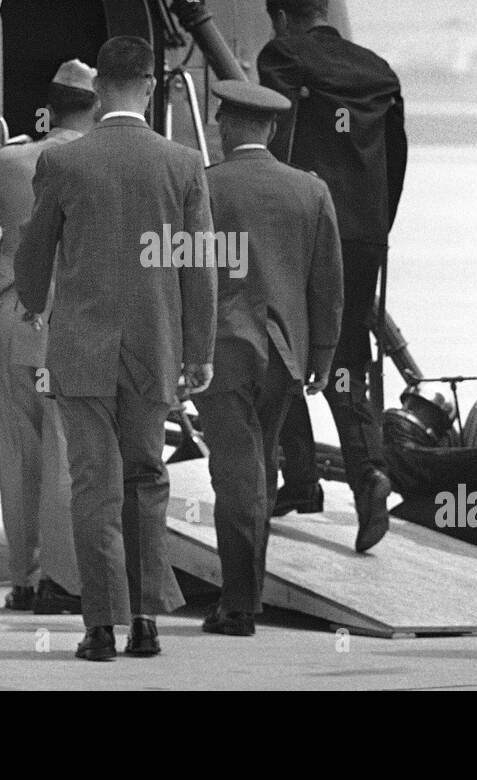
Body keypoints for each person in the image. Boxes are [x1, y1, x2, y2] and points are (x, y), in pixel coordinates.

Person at [15, 36, 217, 662]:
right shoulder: (183, 165)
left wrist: (34, 299)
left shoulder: (64, 164)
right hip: (154, 350)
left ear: (99, 89)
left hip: (81, 352)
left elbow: (32, 258)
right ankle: (148, 623)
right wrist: (199, 351)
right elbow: (200, 268)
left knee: (93, 486)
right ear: (151, 88)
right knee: (147, 479)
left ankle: (100, 627)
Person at [258, 0, 407, 553]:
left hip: (302, 225)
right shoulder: (378, 70)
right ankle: (367, 472)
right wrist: (375, 228)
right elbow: (395, 158)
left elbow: (274, 137)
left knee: (282, 342)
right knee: (347, 351)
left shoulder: (283, 56)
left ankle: (297, 475)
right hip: (365, 232)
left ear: (283, 18)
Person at [193, 80, 344, 636]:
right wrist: (323, 355)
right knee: (261, 465)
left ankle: (238, 605)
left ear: (225, 125)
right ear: (273, 129)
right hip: (287, 355)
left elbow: (189, 274)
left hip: (223, 348)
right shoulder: (310, 190)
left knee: (235, 472)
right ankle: (245, 593)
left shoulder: (205, 187)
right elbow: (327, 283)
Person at [0, 60, 97, 614]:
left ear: (52, 104)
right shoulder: (97, 161)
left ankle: (24, 576)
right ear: (95, 106)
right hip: (73, 320)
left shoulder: (11, 157)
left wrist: (6, 261)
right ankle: (62, 584)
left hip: (11, 313)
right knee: (67, 454)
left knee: (17, 455)